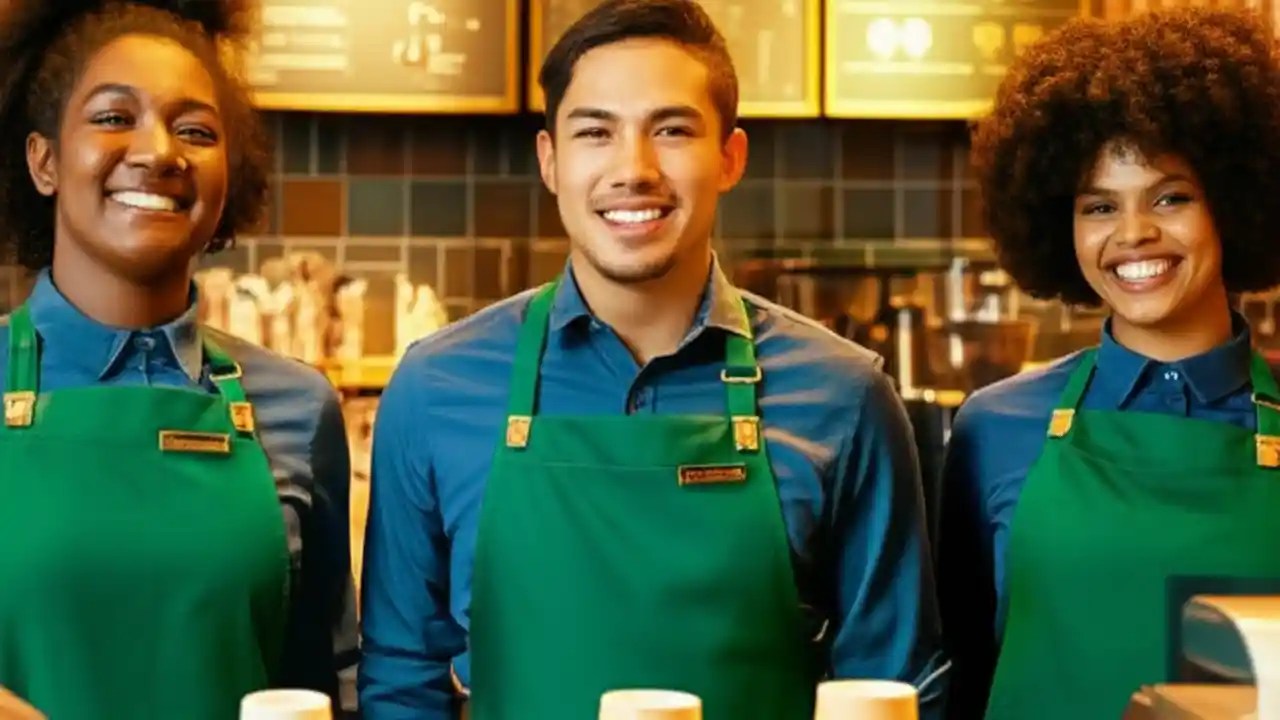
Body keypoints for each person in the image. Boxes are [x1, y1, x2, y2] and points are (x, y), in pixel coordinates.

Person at [358, 1, 949, 719]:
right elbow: (401, 681)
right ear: (551, 161)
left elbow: (895, 685)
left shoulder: (846, 396)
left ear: (730, 157)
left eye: (671, 130)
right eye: (595, 133)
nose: (633, 169)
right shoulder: (433, 388)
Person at [0, 1, 359, 717]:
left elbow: (326, 679)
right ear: (44, 161)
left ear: (228, 181)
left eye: (194, 131)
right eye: (112, 117)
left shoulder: (295, 406)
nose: (159, 151)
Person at [939, 8, 1280, 720]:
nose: (1133, 234)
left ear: (1234, 202)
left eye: (1171, 197)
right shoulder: (995, 430)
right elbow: (959, 676)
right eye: (1099, 206)